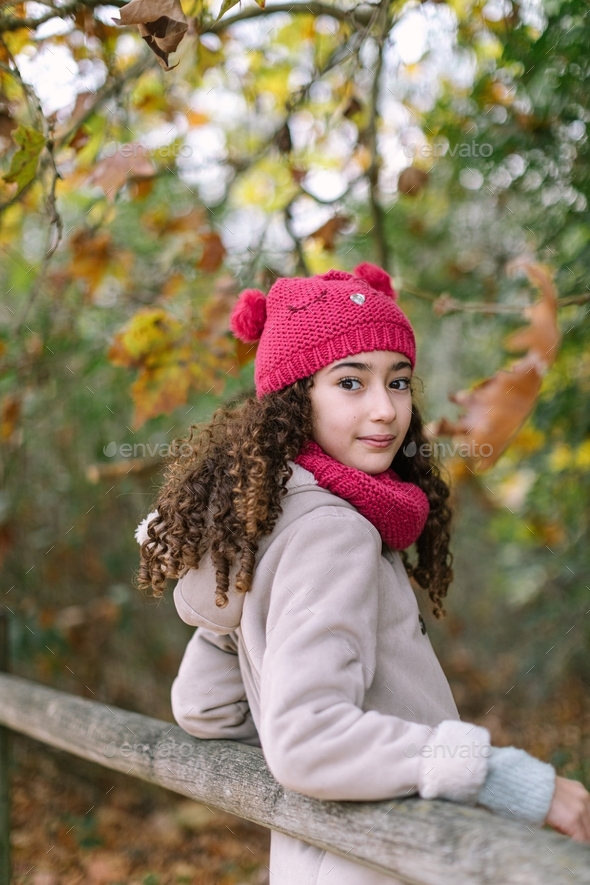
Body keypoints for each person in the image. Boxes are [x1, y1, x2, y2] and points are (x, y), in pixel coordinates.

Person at [135, 262, 590, 883]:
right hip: (382, 864)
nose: (385, 410)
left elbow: (203, 705)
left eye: (398, 382)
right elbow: (308, 739)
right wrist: (508, 779)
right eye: (351, 383)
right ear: (296, 398)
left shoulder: (275, 520)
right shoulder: (334, 530)